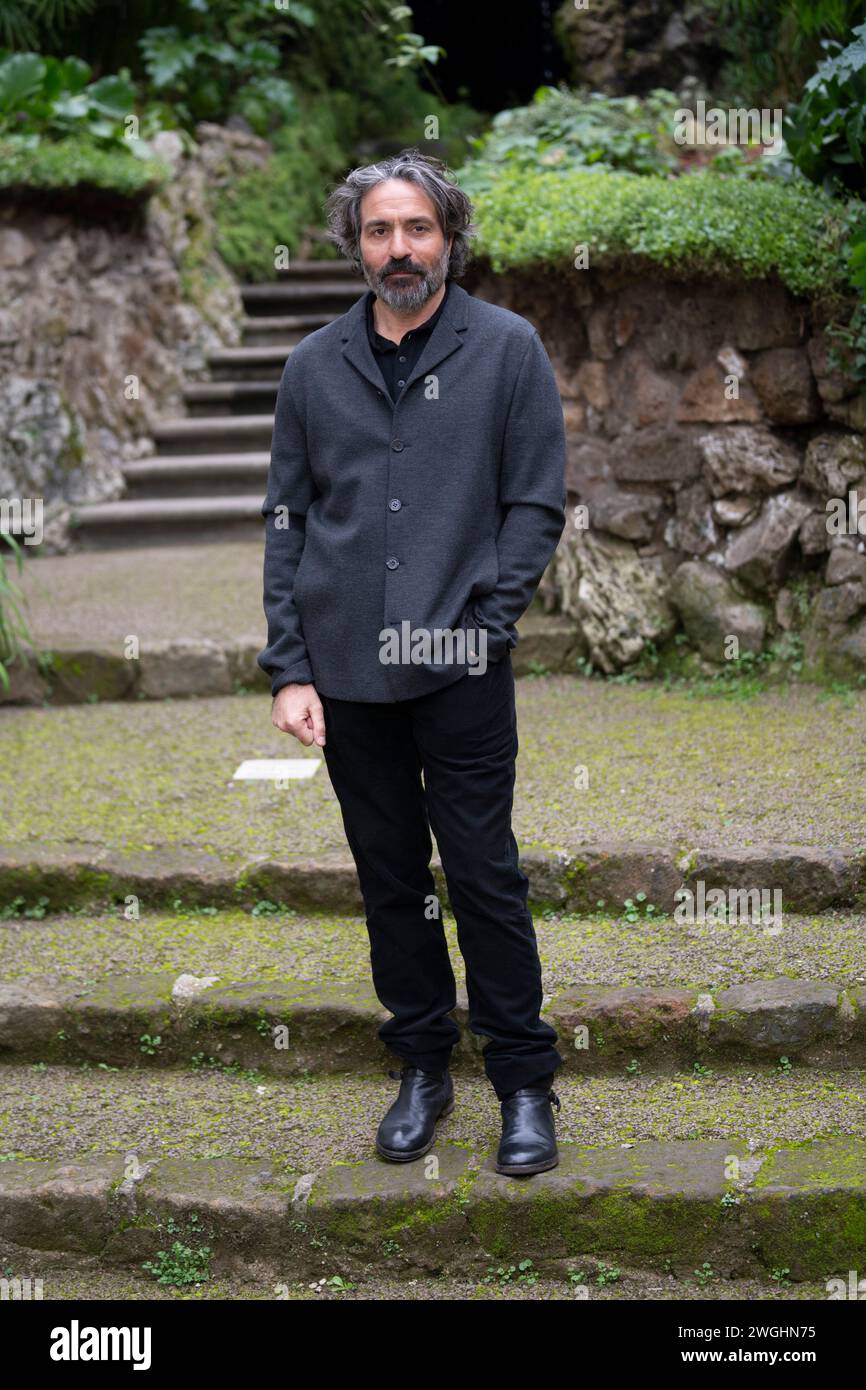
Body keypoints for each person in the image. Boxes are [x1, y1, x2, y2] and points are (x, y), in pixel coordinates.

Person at [258, 148, 567, 1175]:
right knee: (391, 879)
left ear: (448, 239)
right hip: (345, 669)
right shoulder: (311, 367)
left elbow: (532, 505)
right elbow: (287, 524)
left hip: (461, 662)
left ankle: (523, 1082)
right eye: (380, 230)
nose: (399, 248)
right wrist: (289, 666)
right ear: (356, 243)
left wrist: (483, 621)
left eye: (417, 228)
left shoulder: (507, 350)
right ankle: (422, 1068)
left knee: (482, 874)